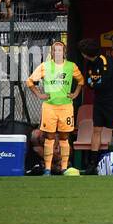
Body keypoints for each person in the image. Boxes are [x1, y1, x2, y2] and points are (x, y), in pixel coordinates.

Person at [25, 40, 82, 176]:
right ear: (52, 52)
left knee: (64, 137)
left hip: (66, 107)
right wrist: (39, 94)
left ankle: (64, 168)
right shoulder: (45, 66)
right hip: (49, 107)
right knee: (49, 137)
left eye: (60, 50)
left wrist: (75, 94)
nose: (58, 52)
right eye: (55, 50)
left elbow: (81, 81)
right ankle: (48, 169)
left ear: (64, 52)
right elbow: (29, 81)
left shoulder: (71, 66)